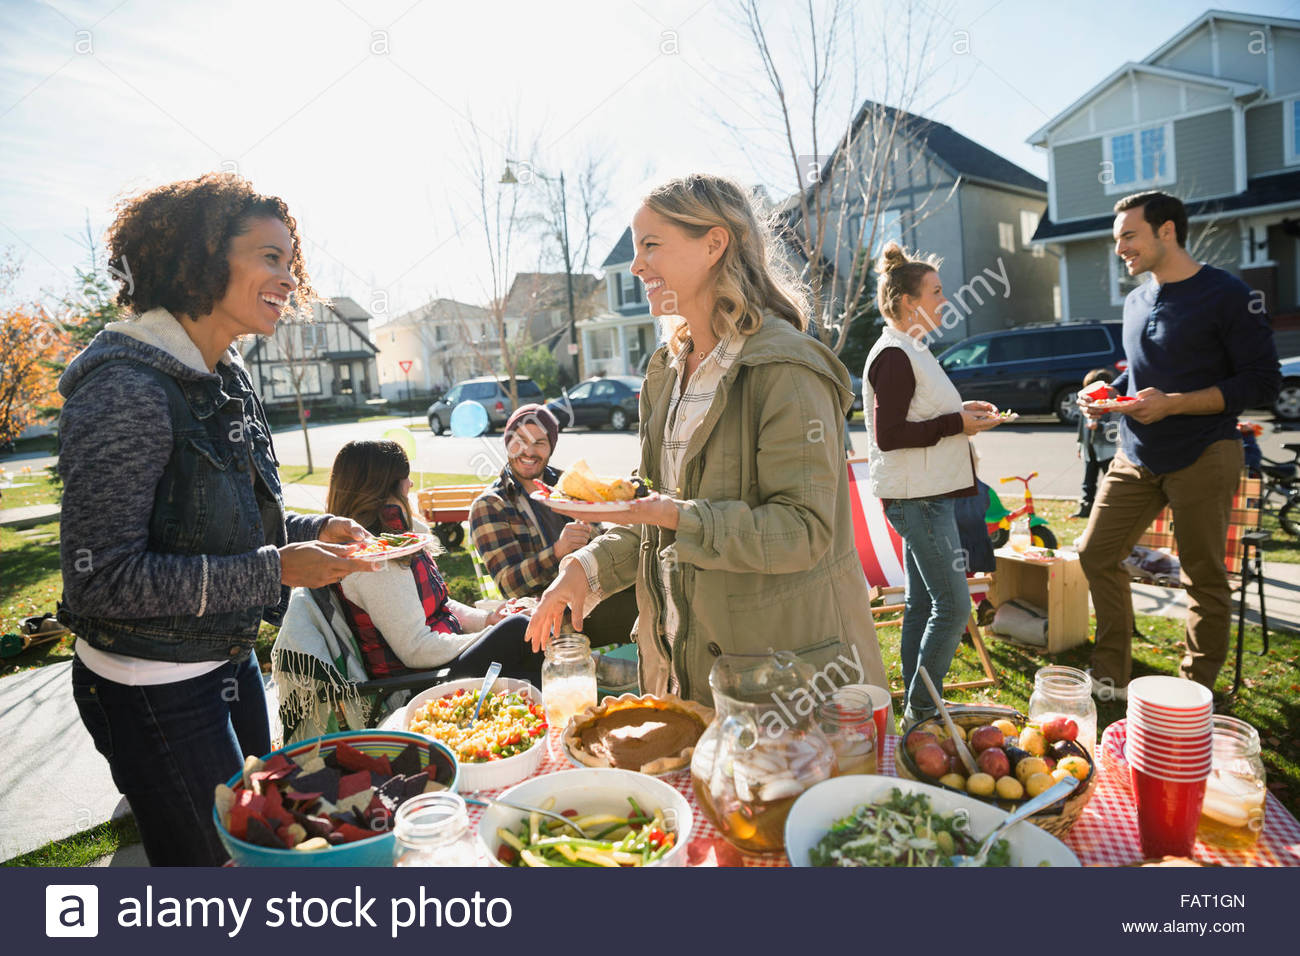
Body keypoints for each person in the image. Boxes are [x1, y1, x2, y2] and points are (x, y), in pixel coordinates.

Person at [57, 173, 380, 866]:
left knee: (267, 853)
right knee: (219, 875)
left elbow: (229, 520)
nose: (288, 278)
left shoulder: (226, 374)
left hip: (226, 667)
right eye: (270, 257)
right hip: (152, 694)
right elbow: (101, 581)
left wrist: (313, 531)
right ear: (199, 262)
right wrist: (275, 570)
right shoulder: (125, 389)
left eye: (290, 262)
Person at [524, 174, 888, 706]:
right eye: (635, 248)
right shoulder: (667, 371)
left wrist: (674, 515)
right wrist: (583, 569)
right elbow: (651, 510)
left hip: (785, 691)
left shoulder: (786, 370)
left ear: (714, 243)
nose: (636, 265)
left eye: (651, 245)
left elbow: (802, 532)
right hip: (683, 675)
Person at [1078, 190, 1280, 699]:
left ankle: (1193, 693)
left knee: (1203, 577)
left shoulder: (1228, 294)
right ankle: (1109, 677)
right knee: (1096, 554)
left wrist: (1174, 403)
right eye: (1117, 238)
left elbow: (1261, 385)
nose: (1120, 247)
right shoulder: (1135, 299)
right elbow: (1141, 382)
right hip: (1136, 453)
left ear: (1167, 231)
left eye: (1129, 235)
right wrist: (1106, 400)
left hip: (1205, 452)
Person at [861, 242, 1007, 725]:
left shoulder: (912, 350)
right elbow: (890, 435)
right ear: (908, 301)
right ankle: (921, 714)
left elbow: (925, 415)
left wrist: (966, 414)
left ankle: (919, 709)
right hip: (917, 499)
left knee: (924, 604)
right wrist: (955, 425)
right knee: (953, 604)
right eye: (937, 292)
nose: (946, 300)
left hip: (925, 495)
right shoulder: (896, 355)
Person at [326, 440, 543, 685]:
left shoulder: (399, 538)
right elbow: (416, 649)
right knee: (518, 629)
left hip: (442, 663)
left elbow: (441, 605)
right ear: (385, 487)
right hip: (418, 682)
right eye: (405, 477)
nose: (411, 484)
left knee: (535, 666)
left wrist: (488, 619)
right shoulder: (374, 560)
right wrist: (489, 634)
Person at [469, 403, 639, 647]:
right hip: (548, 617)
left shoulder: (566, 484)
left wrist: (597, 532)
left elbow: (603, 540)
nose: (528, 451)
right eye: (520, 441)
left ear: (551, 448)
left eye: (539, 443)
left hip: (591, 591)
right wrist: (559, 550)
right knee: (645, 607)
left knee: (652, 585)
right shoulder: (490, 505)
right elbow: (510, 584)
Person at [1071, 368, 1118, 520]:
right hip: (1089, 447)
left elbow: (1116, 427)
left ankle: (1111, 508)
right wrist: (1080, 444)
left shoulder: (1113, 405)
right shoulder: (1087, 404)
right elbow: (1081, 426)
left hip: (1106, 449)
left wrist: (1101, 427)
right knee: (1088, 481)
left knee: (1109, 480)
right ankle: (1086, 506)